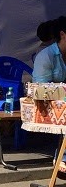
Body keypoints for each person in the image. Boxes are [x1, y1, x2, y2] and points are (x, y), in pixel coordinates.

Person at [32, 14, 66, 176]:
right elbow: (40, 89)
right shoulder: (46, 56)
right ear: (62, 35)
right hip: (46, 103)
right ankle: (62, 158)